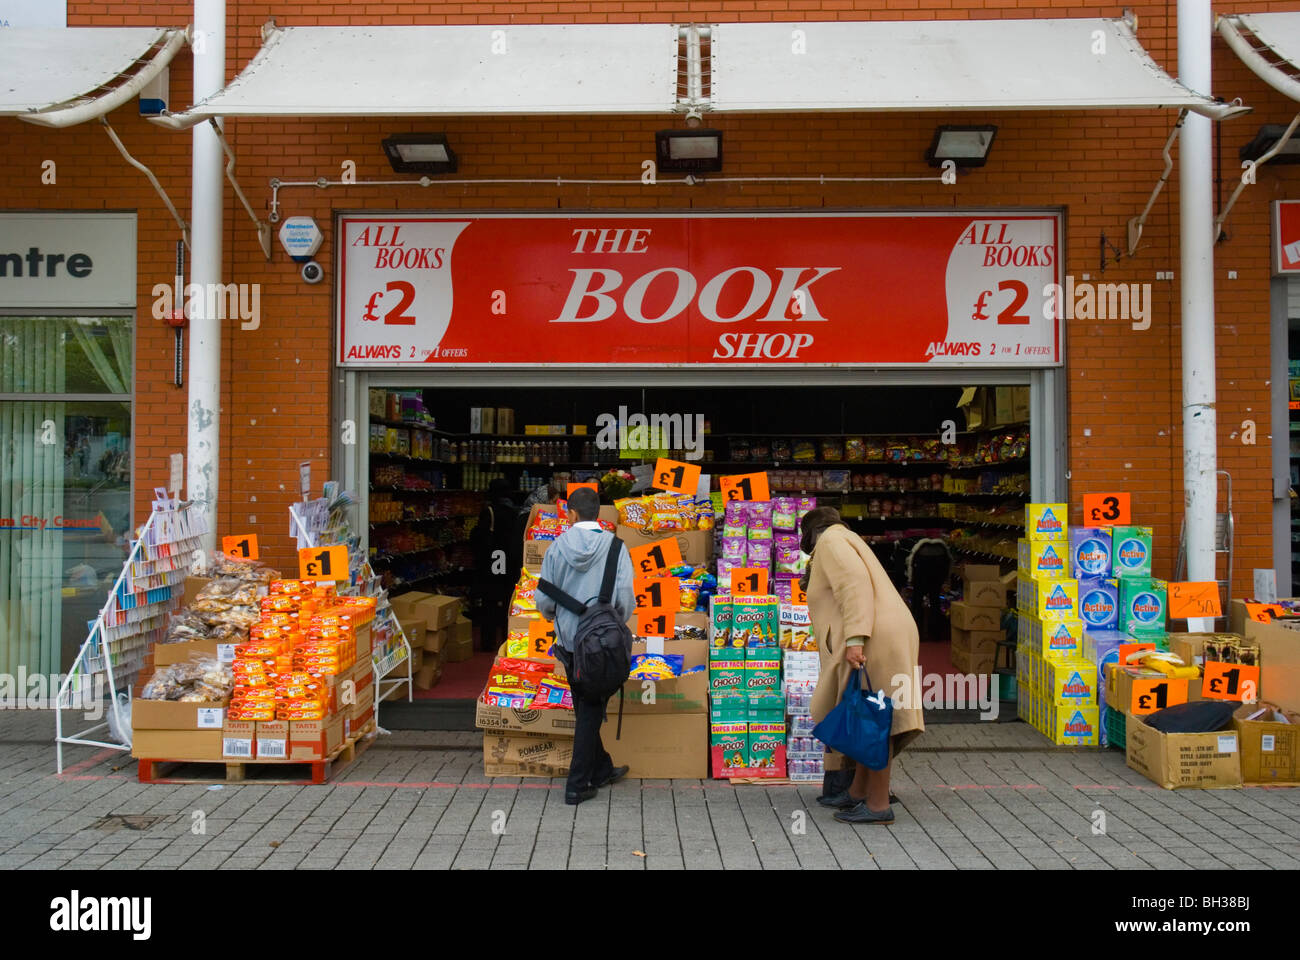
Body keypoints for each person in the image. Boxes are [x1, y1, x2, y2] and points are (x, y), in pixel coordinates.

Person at [801, 506, 924, 825]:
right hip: (884, 632)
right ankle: (858, 792)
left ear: (812, 534)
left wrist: (855, 638)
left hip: (874, 637)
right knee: (869, 714)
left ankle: (879, 804)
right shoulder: (844, 538)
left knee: (874, 719)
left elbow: (854, 585)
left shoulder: (830, 542)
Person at [535, 487, 635, 805]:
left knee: (585, 704)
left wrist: (563, 619)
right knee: (589, 707)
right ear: (599, 514)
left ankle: (597, 771)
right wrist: (607, 623)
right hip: (603, 643)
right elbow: (624, 600)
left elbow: (544, 601)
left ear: (571, 514)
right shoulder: (617, 548)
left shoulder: (555, 549)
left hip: (568, 642)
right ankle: (578, 784)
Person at [470, 478, 520, 653]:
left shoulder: (489, 511)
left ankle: (488, 641)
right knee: (509, 602)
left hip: (492, 563)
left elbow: (480, 539)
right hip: (511, 563)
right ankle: (509, 640)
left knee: (489, 603)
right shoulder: (515, 512)